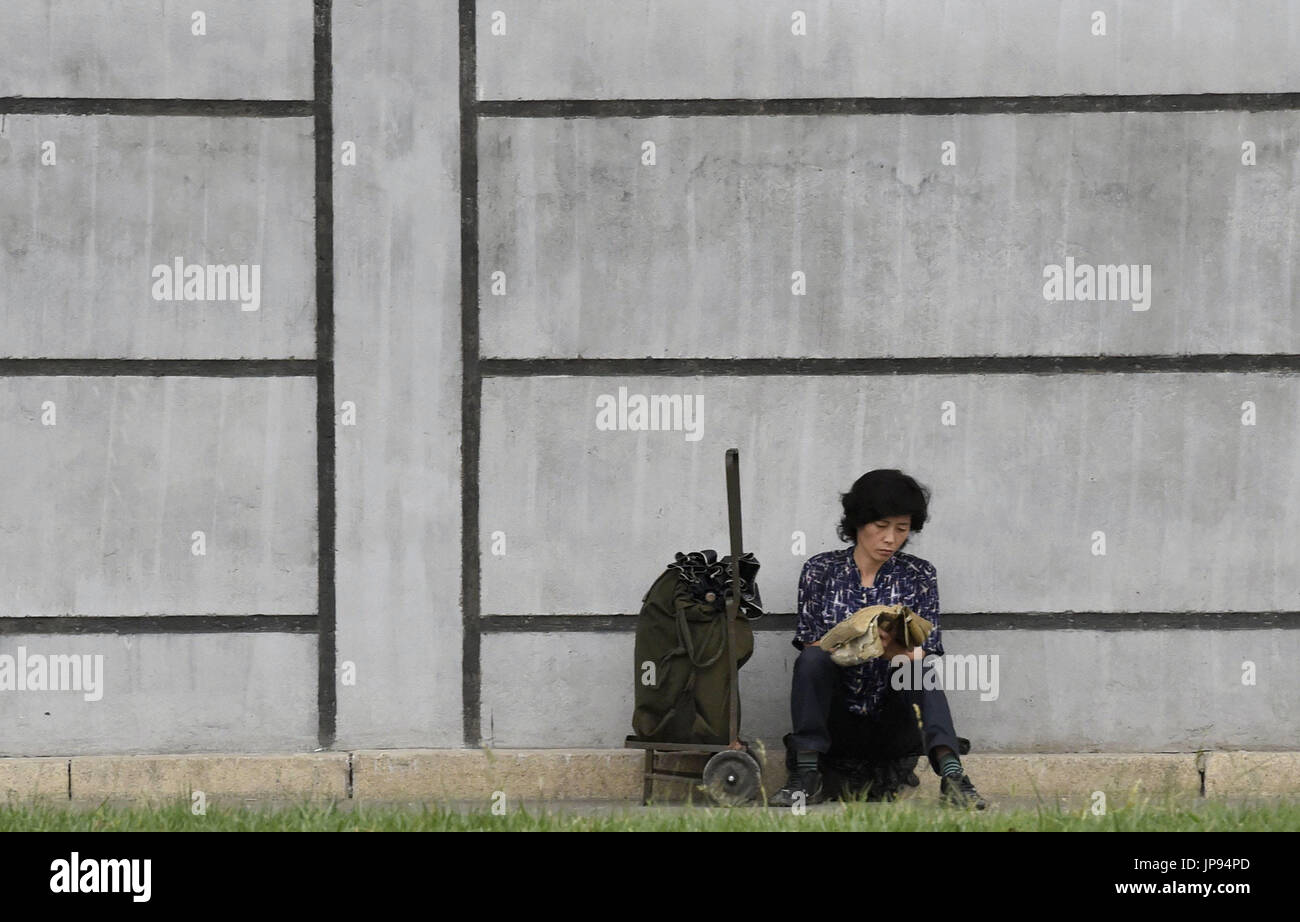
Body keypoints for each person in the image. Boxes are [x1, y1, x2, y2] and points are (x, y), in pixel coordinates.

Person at [769, 469, 987, 809]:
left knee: (919, 669)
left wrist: (891, 648)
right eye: (881, 526)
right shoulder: (820, 571)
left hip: (891, 718)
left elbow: (922, 653)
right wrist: (856, 644)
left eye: (901, 529)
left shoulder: (919, 575)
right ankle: (806, 776)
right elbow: (812, 648)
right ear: (858, 522)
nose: (890, 539)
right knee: (811, 660)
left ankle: (954, 776)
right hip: (836, 719)